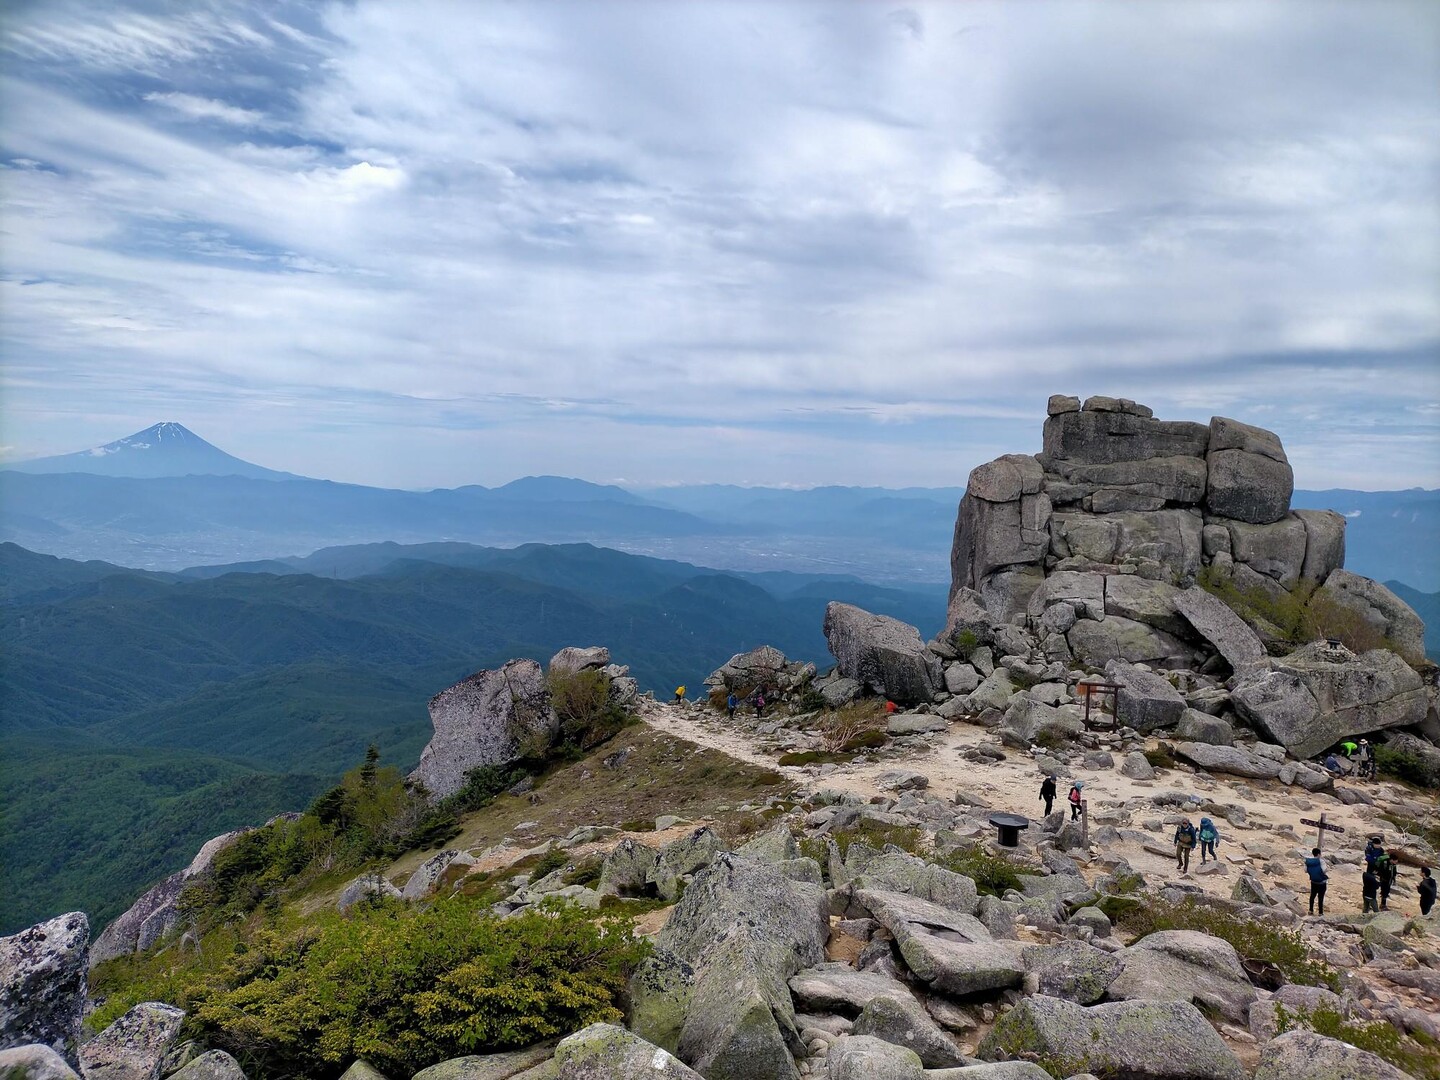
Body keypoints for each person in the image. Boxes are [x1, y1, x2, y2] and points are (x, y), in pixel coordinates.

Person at [1304, 848, 1328, 915]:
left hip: (1313, 881)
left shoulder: (1308, 862)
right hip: (1322, 883)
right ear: (1319, 854)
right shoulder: (1321, 861)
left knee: (1312, 896)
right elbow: (1324, 870)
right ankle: (1320, 912)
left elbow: (1305, 870)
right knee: (1320, 897)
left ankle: (1311, 910)